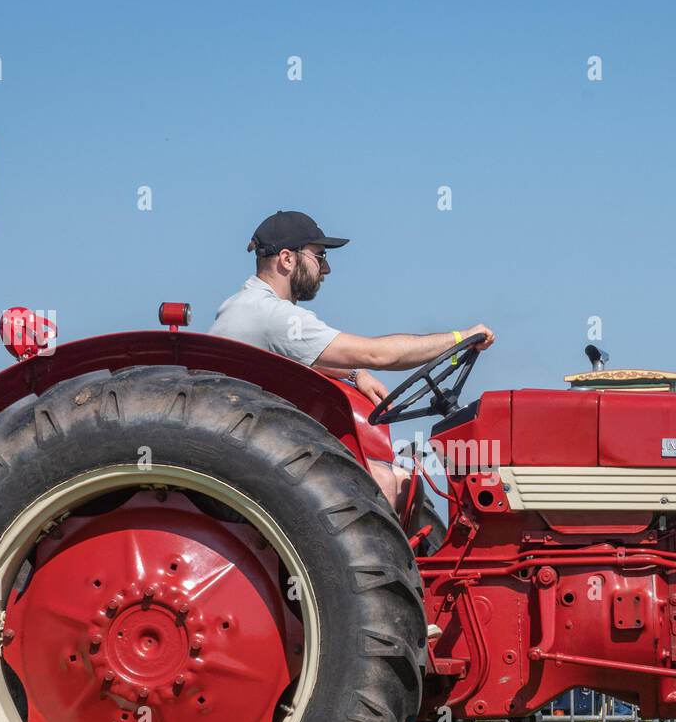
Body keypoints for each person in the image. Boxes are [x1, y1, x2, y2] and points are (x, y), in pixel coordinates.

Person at [209, 210, 495, 506]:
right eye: (319, 257)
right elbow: (377, 353)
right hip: (247, 454)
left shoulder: (245, 305)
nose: (327, 269)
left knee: (402, 479)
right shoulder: (272, 315)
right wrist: (460, 338)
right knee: (384, 480)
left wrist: (354, 373)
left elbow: (298, 356)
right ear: (287, 259)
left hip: (245, 442)